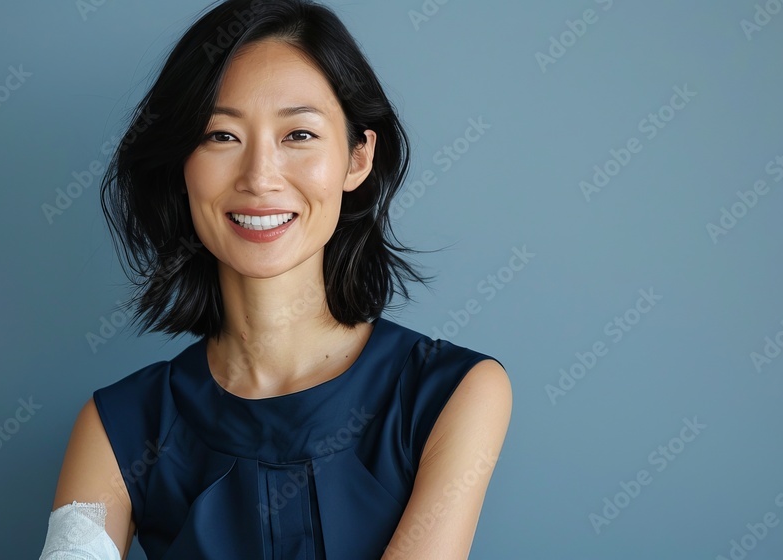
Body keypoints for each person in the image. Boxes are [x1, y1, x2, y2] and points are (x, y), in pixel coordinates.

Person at [39, 1, 511, 558]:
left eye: (299, 135)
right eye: (220, 135)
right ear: (180, 164)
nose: (260, 178)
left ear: (357, 157)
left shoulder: (456, 392)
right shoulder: (115, 426)